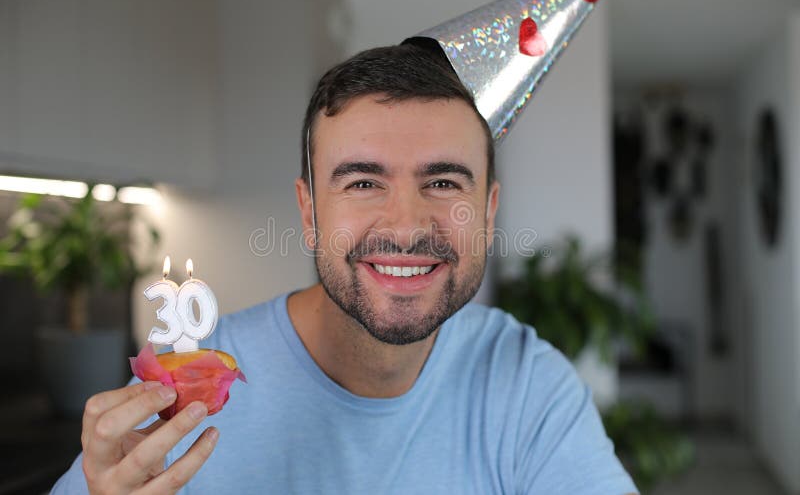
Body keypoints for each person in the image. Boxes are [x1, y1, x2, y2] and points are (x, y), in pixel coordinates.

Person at [51, 41, 638, 495]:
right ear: (308, 212)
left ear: (487, 210)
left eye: (442, 182)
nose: (406, 227)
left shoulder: (526, 382)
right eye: (362, 181)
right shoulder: (186, 386)